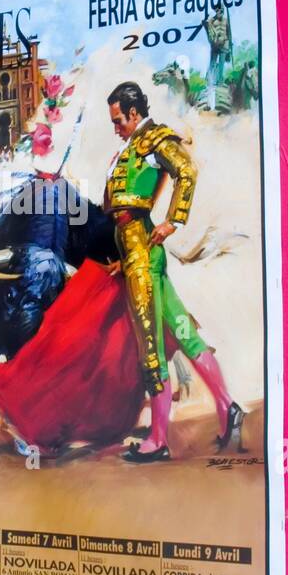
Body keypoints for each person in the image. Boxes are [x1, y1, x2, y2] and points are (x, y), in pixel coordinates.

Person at [103, 82, 241, 462]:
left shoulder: (151, 139)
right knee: (182, 330)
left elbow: (186, 170)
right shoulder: (134, 145)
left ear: (134, 113)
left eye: (118, 120)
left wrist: (173, 221)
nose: (115, 127)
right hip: (138, 252)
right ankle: (229, 407)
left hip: (143, 254)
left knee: (151, 345)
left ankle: (159, 440)